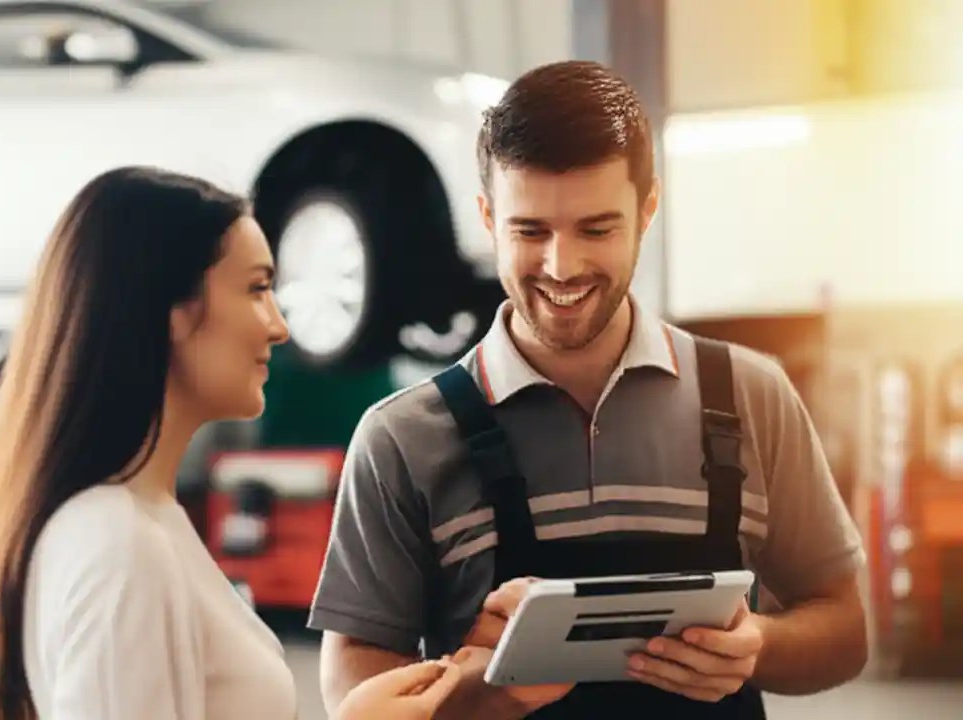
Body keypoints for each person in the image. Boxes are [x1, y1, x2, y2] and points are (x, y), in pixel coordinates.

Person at [309, 60, 869, 719]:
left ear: (648, 208)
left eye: (596, 229)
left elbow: (844, 629)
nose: (561, 266)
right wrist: (482, 689)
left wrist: (759, 646)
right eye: (530, 231)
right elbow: (352, 681)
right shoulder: (402, 437)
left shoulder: (751, 397)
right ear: (488, 218)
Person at [0, 166, 462, 720]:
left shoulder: (137, 522)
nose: (279, 326)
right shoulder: (118, 543)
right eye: (257, 289)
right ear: (171, 310)